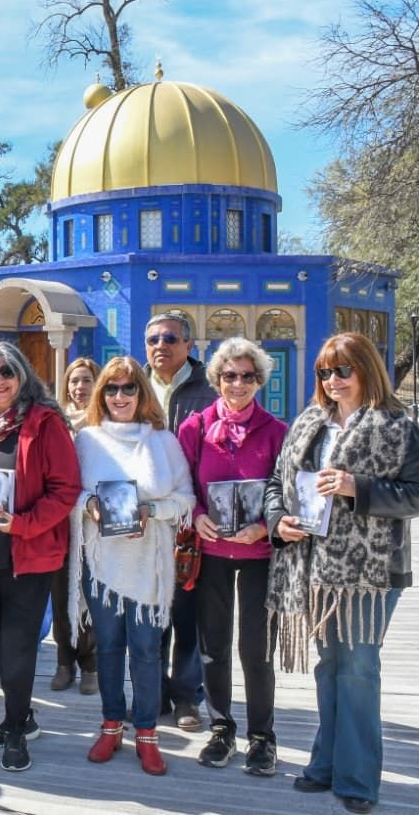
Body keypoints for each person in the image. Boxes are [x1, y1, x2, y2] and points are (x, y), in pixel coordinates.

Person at [264, 332, 418, 814]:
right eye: (325, 372)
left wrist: (358, 486)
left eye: (343, 370)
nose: (333, 380)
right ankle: (324, 765)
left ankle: (356, 779)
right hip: (312, 567)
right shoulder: (309, 422)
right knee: (329, 666)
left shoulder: (398, 426)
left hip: (370, 576)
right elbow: (276, 484)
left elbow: (414, 494)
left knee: (357, 669)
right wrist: (278, 521)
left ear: (367, 369)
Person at [0, 343, 81, 772]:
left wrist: (22, 523)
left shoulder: (44, 423)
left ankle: (14, 728)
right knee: (1, 645)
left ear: (22, 374)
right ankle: (22, 716)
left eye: (7, 371)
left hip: (27, 551)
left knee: (20, 645)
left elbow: (65, 491)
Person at [70, 357, 196, 776]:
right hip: (103, 564)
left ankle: (146, 733)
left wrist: (153, 509)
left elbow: (186, 498)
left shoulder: (163, 441)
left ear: (142, 393)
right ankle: (110, 724)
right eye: (111, 388)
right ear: (101, 394)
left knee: (145, 649)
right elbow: (70, 492)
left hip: (149, 565)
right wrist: (89, 504)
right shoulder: (86, 439)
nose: (119, 396)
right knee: (108, 647)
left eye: (128, 388)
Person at [177, 337, 286, 776]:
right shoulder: (196, 428)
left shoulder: (279, 431)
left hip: (259, 553)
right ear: (217, 379)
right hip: (211, 554)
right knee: (213, 647)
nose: (237, 383)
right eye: (229, 375)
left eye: (247, 376)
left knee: (256, 650)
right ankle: (222, 726)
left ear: (259, 381)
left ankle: (263, 737)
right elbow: (181, 485)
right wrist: (198, 514)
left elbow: (287, 493)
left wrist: (266, 526)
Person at [144, 312, 213, 732]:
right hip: (146, 524)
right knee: (152, 612)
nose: (161, 345)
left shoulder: (209, 390)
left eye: (170, 338)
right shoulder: (134, 388)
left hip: (192, 520)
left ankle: (188, 697)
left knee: (187, 613)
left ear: (189, 345)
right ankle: (155, 693)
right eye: (153, 339)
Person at [51, 357, 100, 695]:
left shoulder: (103, 425)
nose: (79, 387)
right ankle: (63, 660)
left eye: (86, 380)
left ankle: (91, 664)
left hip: (94, 523)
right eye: (74, 381)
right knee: (60, 591)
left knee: (91, 592)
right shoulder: (56, 422)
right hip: (60, 522)